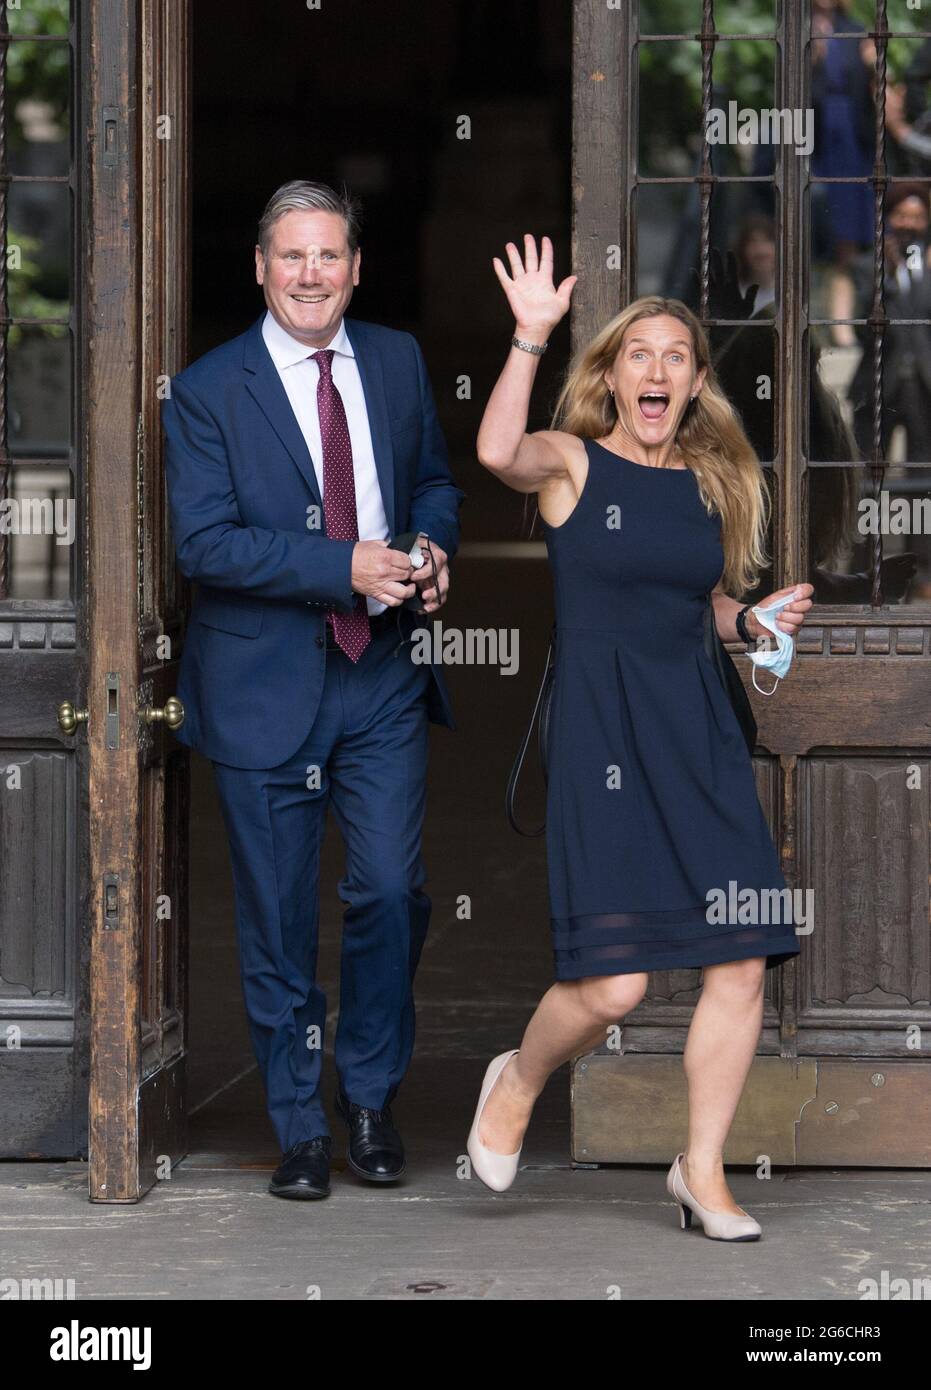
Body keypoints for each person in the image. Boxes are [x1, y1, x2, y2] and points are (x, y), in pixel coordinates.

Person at [469, 234, 813, 1240]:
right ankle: (518, 1077)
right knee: (612, 985)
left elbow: (696, 604)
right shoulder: (573, 466)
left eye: (675, 357)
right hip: (603, 740)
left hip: (697, 734)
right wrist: (530, 337)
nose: (655, 370)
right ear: (611, 375)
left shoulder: (707, 483)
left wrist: (745, 622)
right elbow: (496, 453)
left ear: (697, 382)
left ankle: (700, 1170)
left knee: (740, 955)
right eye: (638, 354)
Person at [162, 180, 463, 1200]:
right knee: (278, 919)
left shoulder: (396, 358)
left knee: (388, 889)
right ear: (259, 266)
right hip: (263, 683)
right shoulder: (207, 390)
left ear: (355, 268)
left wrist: (431, 547)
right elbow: (204, 543)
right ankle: (296, 1123)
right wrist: (344, 566)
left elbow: (432, 480)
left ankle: (368, 1093)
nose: (308, 274)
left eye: (327, 255)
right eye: (289, 256)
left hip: (378, 671)